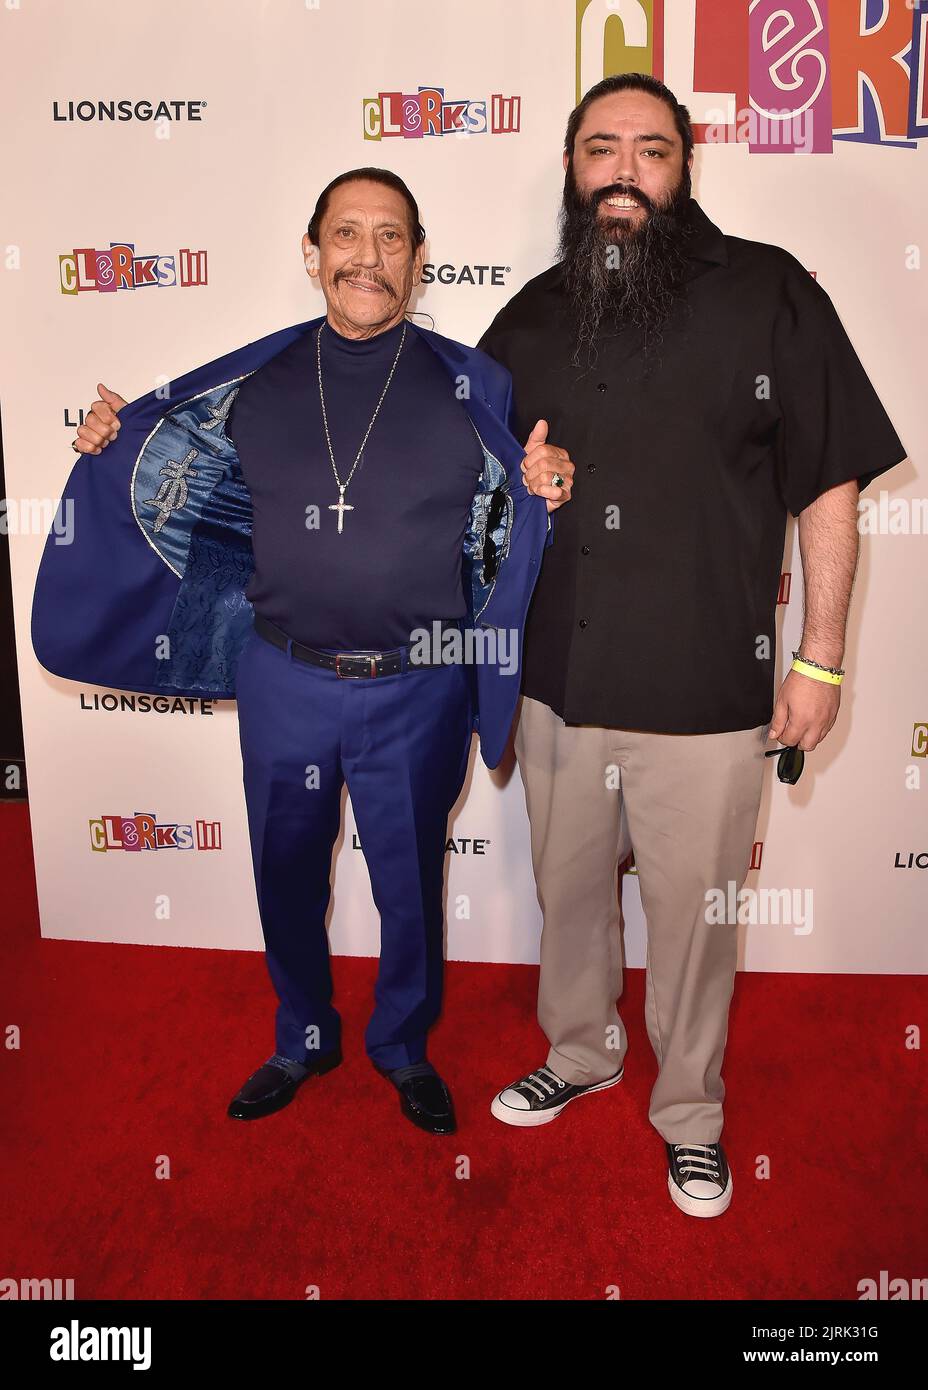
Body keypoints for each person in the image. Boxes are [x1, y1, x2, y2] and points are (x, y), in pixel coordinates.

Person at [31, 167, 575, 1137]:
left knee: (408, 884)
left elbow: (509, 510)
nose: (368, 256)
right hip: (281, 678)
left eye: (391, 237)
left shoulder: (473, 381)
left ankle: (402, 1047)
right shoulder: (256, 385)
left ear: (416, 256)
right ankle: (303, 1037)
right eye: (347, 235)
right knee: (285, 870)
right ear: (313, 250)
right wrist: (111, 439)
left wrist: (548, 484)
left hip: (420, 687)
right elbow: (173, 476)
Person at [476, 74, 907, 1216]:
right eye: (600, 148)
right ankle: (579, 1051)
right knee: (567, 899)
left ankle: (690, 1112)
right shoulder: (524, 315)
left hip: (708, 690)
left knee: (695, 918)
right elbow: (468, 490)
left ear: (685, 165)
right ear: (570, 166)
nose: (624, 170)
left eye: (649, 150)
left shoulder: (766, 291)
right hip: (556, 681)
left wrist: (819, 657)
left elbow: (828, 480)